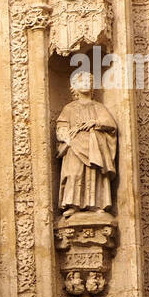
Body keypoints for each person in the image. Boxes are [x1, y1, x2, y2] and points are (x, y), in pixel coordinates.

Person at [55, 81, 117, 214]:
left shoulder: (98, 107)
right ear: (74, 87)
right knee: (73, 173)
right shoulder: (69, 108)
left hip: (94, 145)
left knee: (94, 173)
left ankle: (96, 204)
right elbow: (61, 127)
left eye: (89, 81)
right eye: (81, 81)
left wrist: (96, 123)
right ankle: (73, 205)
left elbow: (111, 125)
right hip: (75, 145)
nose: (86, 83)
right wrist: (67, 137)